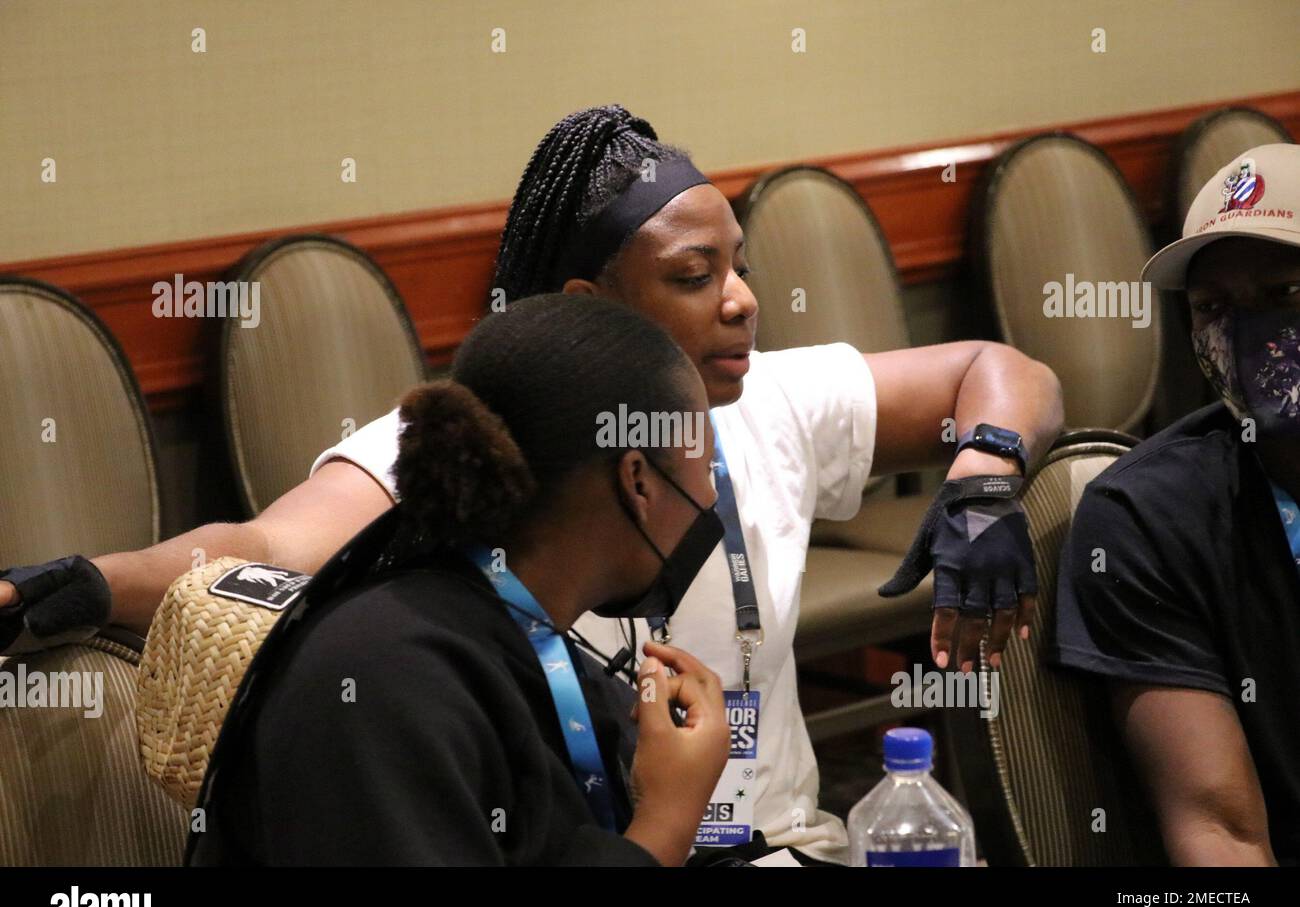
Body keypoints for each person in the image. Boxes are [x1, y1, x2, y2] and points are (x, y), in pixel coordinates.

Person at [2, 104, 1063, 864]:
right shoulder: (475, 453)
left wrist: (982, 476)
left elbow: (999, 371)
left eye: (739, 262)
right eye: (695, 276)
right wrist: (91, 580)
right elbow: (265, 550)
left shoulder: (764, 398)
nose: (741, 302)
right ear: (585, 303)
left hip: (782, 838)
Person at [188, 294, 730, 865]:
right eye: (704, 466)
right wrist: (668, 820)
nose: (711, 494)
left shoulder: (529, 635)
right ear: (638, 481)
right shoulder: (384, 678)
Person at [1051, 143, 1300, 867]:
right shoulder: (1147, 518)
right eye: (1215, 309)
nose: (1250, 339)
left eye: (1283, 295)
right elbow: (1221, 834)